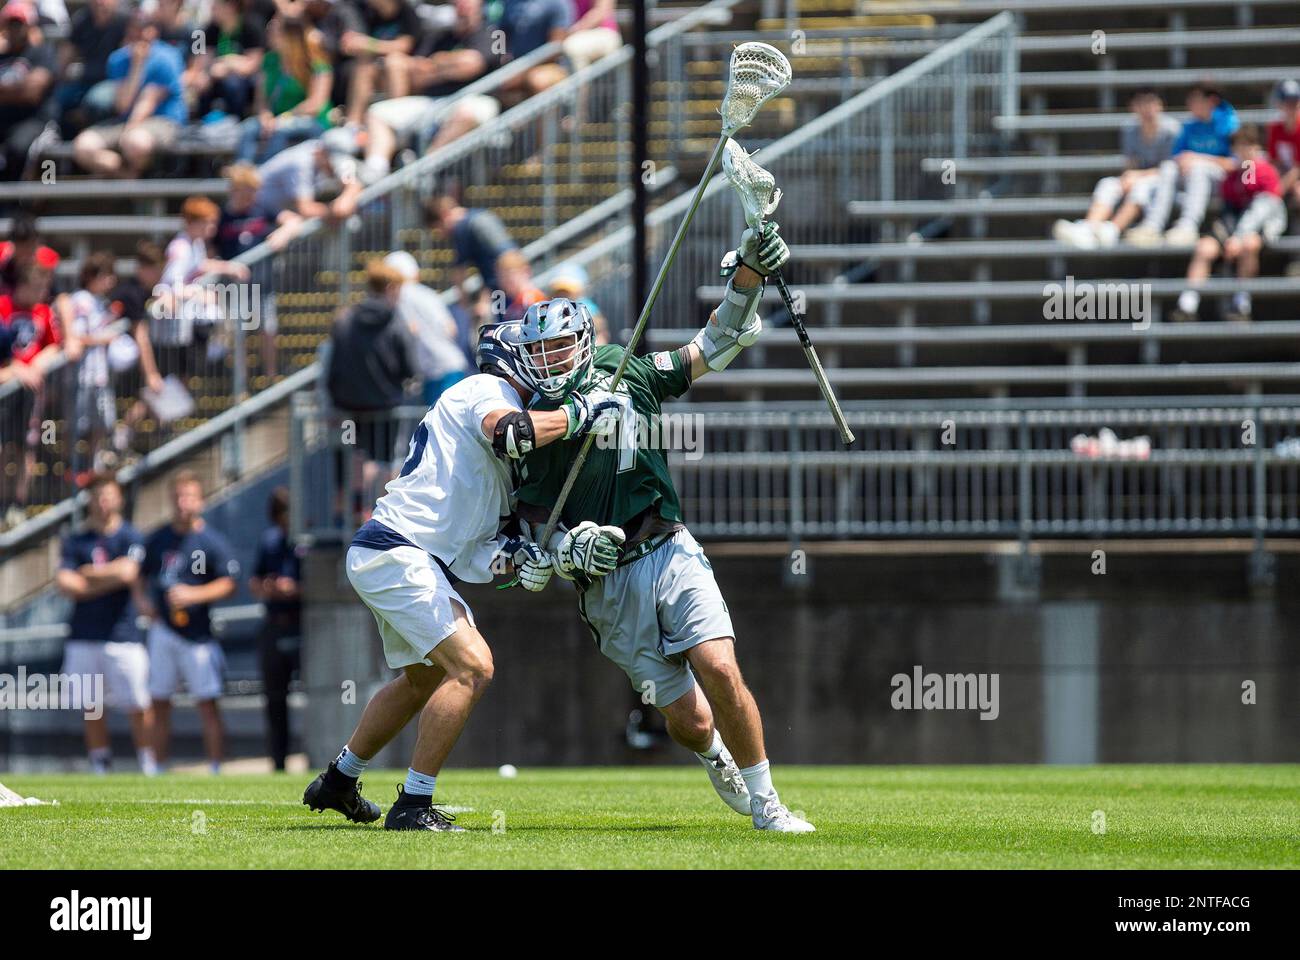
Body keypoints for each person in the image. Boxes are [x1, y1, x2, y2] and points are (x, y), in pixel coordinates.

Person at [504, 222, 816, 832]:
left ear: (586, 342)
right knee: (694, 722)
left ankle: (768, 805)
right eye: (539, 351)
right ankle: (714, 755)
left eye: (559, 348)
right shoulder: (534, 423)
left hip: (667, 548)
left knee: (720, 667)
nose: (548, 361)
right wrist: (570, 551)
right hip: (609, 589)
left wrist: (749, 272)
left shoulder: (627, 371)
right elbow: (532, 534)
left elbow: (715, 343)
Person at [301, 324, 622, 831]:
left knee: (422, 679)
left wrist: (531, 558)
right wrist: (579, 414)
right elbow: (510, 432)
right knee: (473, 667)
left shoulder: (494, 470)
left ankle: (339, 779)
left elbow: (482, 548)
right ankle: (413, 805)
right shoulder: (483, 390)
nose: (546, 361)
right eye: (535, 351)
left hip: (404, 556)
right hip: (398, 549)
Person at [134, 470, 240, 773]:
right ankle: (157, 767)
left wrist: (194, 595)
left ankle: (216, 766)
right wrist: (144, 604)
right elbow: (138, 577)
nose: (183, 503)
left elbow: (230, 583)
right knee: (158, 701)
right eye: (179, 497)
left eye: (189, 497)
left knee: (206, 703)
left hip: (198, 636)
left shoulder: (211, 541)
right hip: (163, 630)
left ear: (200, 500)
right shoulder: (159, 538)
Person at [54, 475, 158, 776]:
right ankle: (100, 764)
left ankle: (148, 763)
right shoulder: (76, 539)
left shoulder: (132, 537)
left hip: (123, 635)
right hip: (84, 635)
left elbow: (129, 572)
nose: (102, 502)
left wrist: (88, 574)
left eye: (108, 495)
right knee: (92, 705)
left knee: (138, 703)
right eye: (97, 496)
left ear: (119, 498)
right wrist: (106, 578)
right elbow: (65, 582)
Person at [359, 0, 501, 181]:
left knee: (466, 113)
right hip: (434, 101)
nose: (462, 5)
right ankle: (375, 172)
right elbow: (417, 75)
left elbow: (471, 63)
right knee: (378, 113)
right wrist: (449, 67)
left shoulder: (496, 33)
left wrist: (436, 64)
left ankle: (424, 168)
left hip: (477, 98)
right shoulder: (440, 35)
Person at [1172, 126, 1287, 323]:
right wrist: (1231, 235)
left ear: (1256, 148)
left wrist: (1239, 236)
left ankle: (1241, 304)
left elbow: (1261, 209)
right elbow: (1230, 209)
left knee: (1249, 244)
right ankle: (1187, 305)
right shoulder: (1233, 176)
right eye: (1238, 147)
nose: (1243, 152)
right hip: (1234, 224)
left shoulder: (1264, 171)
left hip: (1262, 226)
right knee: (1204, 247)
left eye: (1248, 147)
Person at [325, 259, 416, 503]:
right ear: (390, 288)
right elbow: (410, 367)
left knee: (353, 454)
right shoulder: (396, 321)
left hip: (346, 407)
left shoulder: (345, 318)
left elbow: (333, 367)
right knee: (385, 459)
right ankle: (377, 514)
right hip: (385, 406)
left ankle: (352, 510)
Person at [1051, 88, 1180, 249]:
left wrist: (1138, 176)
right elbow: (1131, 164)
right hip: (1140, 177)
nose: (1147, 108)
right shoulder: (1129, 129)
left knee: (1141, 187)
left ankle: (1112, 229)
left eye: (1151, 102)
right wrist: (1128, 178)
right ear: (1133, 107)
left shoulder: (1172, 130)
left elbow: (1172, 168)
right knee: (1108, 184)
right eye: (1141, 103)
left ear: (1160, 106)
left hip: (1166, 184)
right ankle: (1089, 228)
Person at [71, 9, 188, 178]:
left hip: (162, 121)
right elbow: (122, 105)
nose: (140, 34)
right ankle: (128, 177)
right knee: (84, 146)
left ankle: (138, 190)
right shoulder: (118, 59)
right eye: (135, 28)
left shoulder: (168, 57)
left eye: (144, 28)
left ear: (154, 31)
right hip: (126, 122)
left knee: (135, 142)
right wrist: (137, 66)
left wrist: (129, 132)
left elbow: (149, 100)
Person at [1127, 83, 1240, 247]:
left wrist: (1198, 158)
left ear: (1212, 101)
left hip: (1221, 180)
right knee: (1168, 168)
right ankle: (1152, 226)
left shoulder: (1229, 124)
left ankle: (1188, 227)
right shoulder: (1189, 126)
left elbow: (1237, 163)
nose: (1190, 104)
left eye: (1195, 100)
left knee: (1198, 169)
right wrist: (1184, 160)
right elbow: (1177, 156)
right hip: (1190, 178)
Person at [0, 263, 61, 529]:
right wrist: (16, 369)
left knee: (27, 446)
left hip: (30, 393)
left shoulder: (43, 312)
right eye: (38, 288)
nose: (42, 293)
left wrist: (36, 364)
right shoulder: (4, 307)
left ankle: (18, 503)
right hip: (5, 390)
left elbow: (55, 346)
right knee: (3, 449)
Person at [249, 486, 303, 771]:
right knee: (274, 699)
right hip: (274, 625)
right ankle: (278, 762)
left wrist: (295, 590)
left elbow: (319, 585)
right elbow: (254, 581)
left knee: (320, 695)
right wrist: (270, 588)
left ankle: (322, 758)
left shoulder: (308, 540)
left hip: (304, 626)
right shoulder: (269, 541)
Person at [236, 14, 333, 164]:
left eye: (274, 31)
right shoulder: (269, 61)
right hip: (275, 119)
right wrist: (265, 115)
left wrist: (284, 118)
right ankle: (242, 175)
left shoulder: (317, 64)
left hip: (309, 120)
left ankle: (263, 175)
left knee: (279, 131)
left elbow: (315, 104)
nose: (268, 35)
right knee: (248, 129)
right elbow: (261, 100)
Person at [383, 250, 470, 405]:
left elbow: (411, 330)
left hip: (437, 370)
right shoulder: (427, 294)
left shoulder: (402, 296)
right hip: (449, 365)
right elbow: (451, 329)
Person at [67, 251, 123, 479]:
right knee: (75, 425)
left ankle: (93, 465)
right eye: (106, 275)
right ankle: (72, 466)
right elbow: (76, 337)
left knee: (103, 422)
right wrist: (105, 337)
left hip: (99, 375)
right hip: (80, 375)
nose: (110, 281)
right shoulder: (80, 300)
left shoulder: (100, 302)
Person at [423, 191, 516, 304]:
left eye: (438, 229)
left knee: (507, 320)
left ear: (444, 215)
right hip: (513, 277)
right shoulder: (481, 214)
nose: (441, 235)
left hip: (503, 284)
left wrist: (465, 302)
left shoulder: (462, 227)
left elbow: (458, 272)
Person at [0, 0, 57, 181]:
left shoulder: (42, 52)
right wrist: (18, 89)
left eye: (19, 24)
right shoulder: (2, 55)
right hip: (4, 120)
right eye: (11, 24)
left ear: (30, 26)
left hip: (35, 121)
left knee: (18, 147)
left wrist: (6, 92)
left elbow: (32, 93)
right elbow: (24, 90)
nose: (15, 29)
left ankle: (18, 205)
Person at [56, 0, 129, 135]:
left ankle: (97, 136)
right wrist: (60, 75)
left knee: (96, 101)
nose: (100, 3)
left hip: (115, 80)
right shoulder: (83, 19)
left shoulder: (125, 20)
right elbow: (68, 51)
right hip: (86, 77)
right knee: (60, 97)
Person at [187, 0, 265, 120]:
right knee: (203, 83)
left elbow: (253, 65)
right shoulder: (209, 30)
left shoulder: (251, 26)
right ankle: (201, 123)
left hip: (244, 82)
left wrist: (227, 63)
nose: (212, 8)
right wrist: (206, 74)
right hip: (216, 76)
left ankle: (237, 122)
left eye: (216, 5)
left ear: (230, 7)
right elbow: (204, 61)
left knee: (233, 84)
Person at [256, 137, 363, 221]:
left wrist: (349, 194)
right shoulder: (301, 163)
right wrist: (334, 211)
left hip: (277, 212)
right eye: (331, 165)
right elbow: (306, 209)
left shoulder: (322, 148)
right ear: (321, 153)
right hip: (257, 211)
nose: (333, 170)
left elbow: (351, 181)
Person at [1267, 78, 1300, 274]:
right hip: (1286, 181)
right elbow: (1275, 161)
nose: (1292, 106)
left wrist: (1279, 187)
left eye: (1295, 101)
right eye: (1287, 101)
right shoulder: (1275, 129)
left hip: (1292, 183)